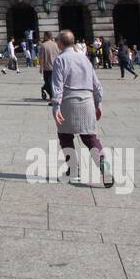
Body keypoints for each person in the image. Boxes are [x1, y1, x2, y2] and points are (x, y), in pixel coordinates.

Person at [50, 29, 114, 188]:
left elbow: (57, 87)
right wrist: (98, 104)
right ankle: (103, 167)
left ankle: (72, 170)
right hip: (87, 100)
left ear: (60, 43)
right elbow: (97, 85)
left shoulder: (60, 59)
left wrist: (56, 107)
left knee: (65, 136)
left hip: (68, 101)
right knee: (90, 138)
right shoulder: (84, 58)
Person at [38, 32, 60, 101]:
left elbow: (41, 57)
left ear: (47, 36)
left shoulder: (43, 45)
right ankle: (53, 95)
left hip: (47, 67)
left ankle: (52, 95)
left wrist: (41, 67)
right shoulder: (56, 45)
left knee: (48, 82)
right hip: (56, 67)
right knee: (53, 82)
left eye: (44, 36)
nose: (43, 37)